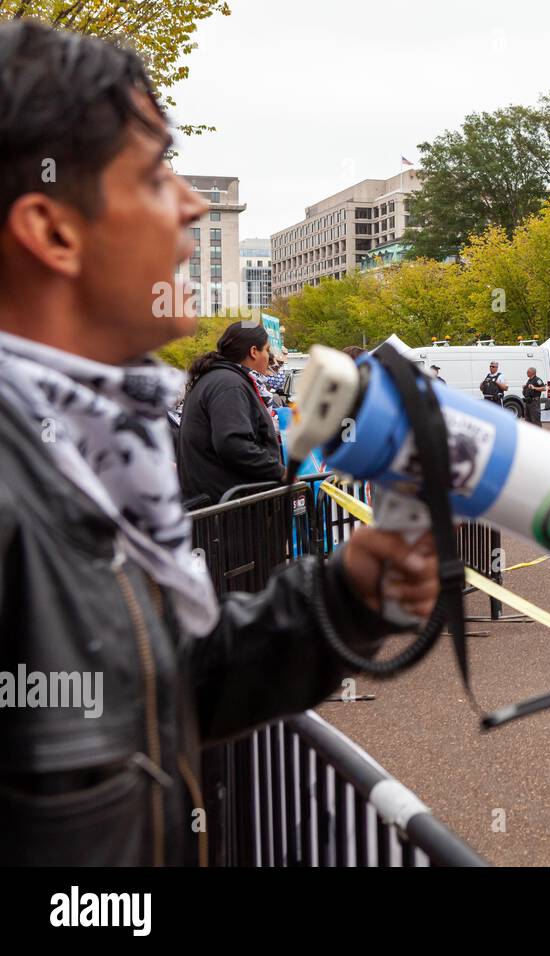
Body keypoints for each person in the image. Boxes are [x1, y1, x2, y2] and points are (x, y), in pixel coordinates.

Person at [0, 21, 440, 866]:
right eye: (155, 174)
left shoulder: (88, 449)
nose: (193, 205)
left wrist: (342, 596)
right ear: (52, 231)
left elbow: (165, 684)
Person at [178, 322, 284, 508]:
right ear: (253, 352)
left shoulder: (221, 379)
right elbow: (233, 444)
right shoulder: (229, 384)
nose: (269, 357)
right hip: (228, 512)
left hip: (222, 506)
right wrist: (279, 472)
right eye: (267, 350)